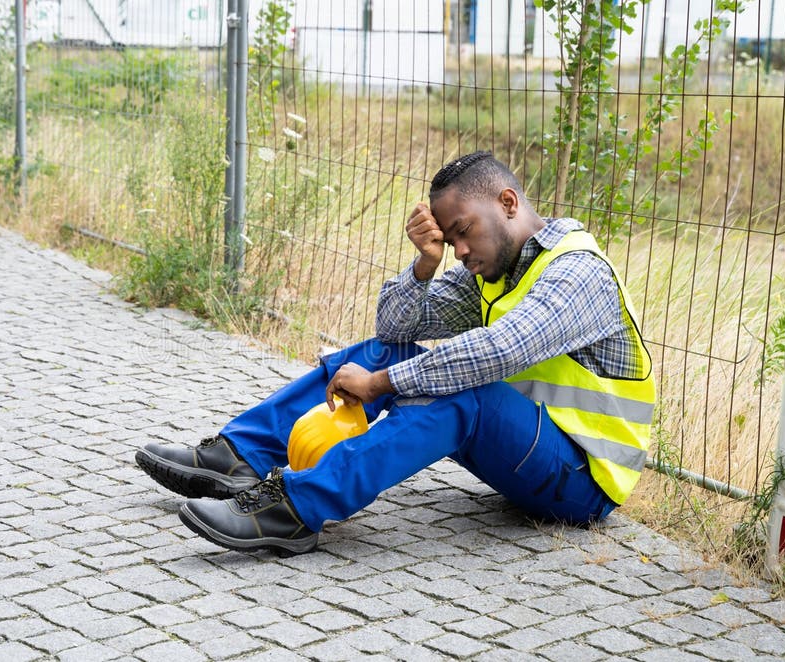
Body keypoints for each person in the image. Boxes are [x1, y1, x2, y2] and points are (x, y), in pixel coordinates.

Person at [135, 151, 655, 556]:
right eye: (449, 241)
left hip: (582, 483)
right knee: (384, 352)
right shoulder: (500, 271)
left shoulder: (577, 272)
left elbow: (497, 352)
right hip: (527, 448)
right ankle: (238, 457)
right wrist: (424, 266)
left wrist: (380, 385)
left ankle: (293, 511)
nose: (461, 251)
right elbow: (394, 328)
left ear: (508, 203)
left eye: (463, 232)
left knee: (462, 392)